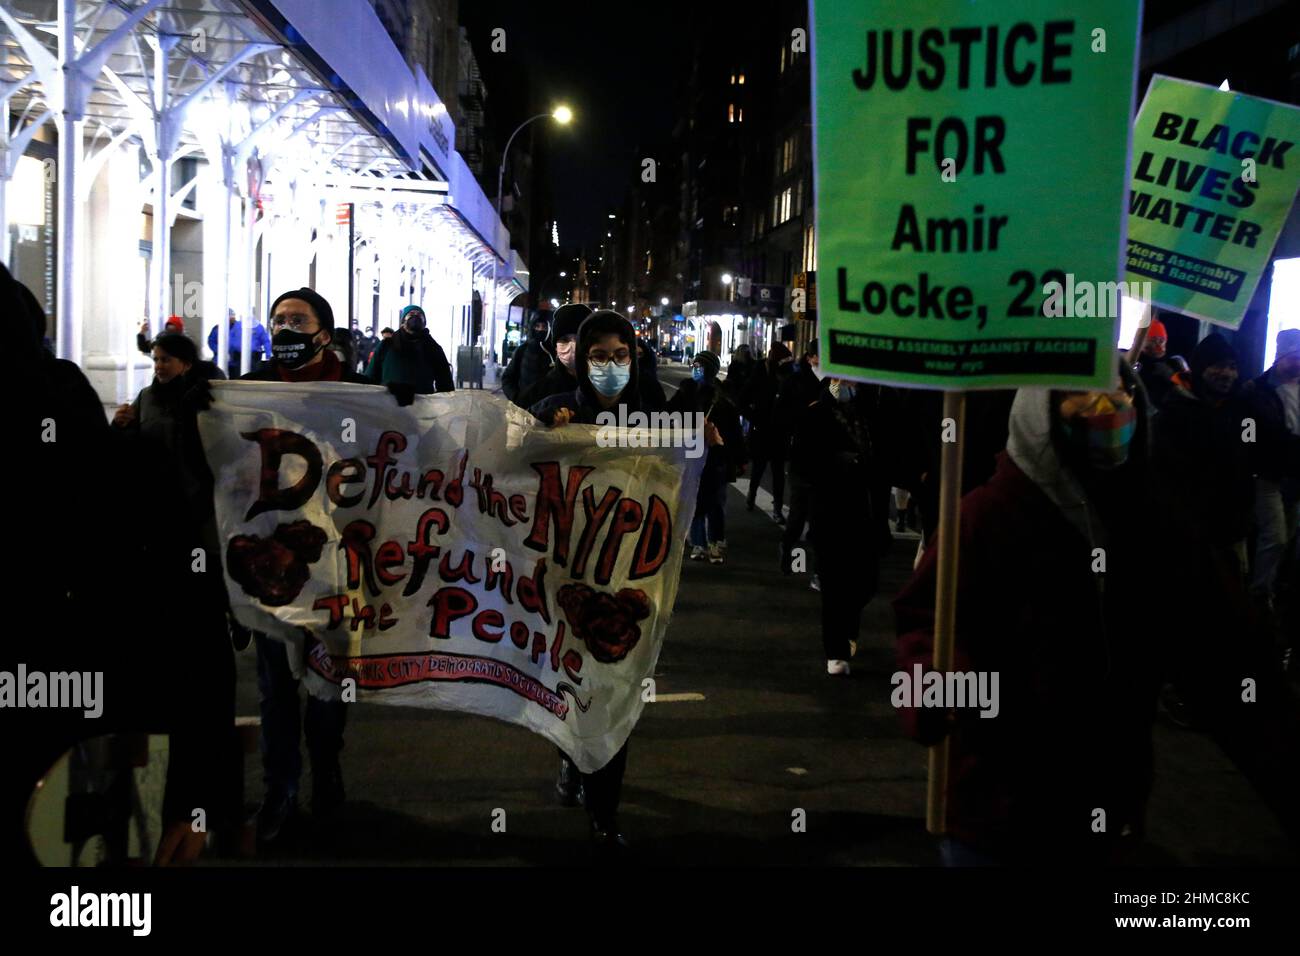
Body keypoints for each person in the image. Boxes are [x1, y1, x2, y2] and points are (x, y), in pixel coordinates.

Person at [3, 264, 234, 866]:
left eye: (165, 357)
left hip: (69, 791)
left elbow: (192, 636)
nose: (158, 365)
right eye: (153, 357)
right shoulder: (113, 430)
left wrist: (193, 798)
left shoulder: (109, 461)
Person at [894, 359, 1162, 864]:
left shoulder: (1140, 516)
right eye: (1083, 391)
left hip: (1104, 797)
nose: (1107, 404)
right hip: (997, 804)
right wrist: (933, 690)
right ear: (1041, 409)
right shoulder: (986, 514)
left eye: (1121, 388)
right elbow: (923, 621)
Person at [193, 288, 378, 846]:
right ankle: (281, 790)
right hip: (269, 569)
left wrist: (407, 405)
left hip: (340, 569)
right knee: (275, 687)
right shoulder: (247, 394)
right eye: (277, 320)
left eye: (297, 319)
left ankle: (326, 771)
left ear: (324, 331)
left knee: (328, 683)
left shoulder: (358, 396)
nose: (285, 329)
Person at [529, 309, 658, 857]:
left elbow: (702, 469)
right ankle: (568, 758)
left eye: (622, 355)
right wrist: (542, 434)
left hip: (629, 579)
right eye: (600, 356)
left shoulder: (655, 415)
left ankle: (604, 814)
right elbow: (506, 458)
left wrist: (711, 440)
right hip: (566, 576)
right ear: (582, 361)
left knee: (612, 693)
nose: (611, 365)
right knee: (573, 686)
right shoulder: (551, 410)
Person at [793, 376, 885, 675]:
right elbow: (801, 465)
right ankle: (836, 651)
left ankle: (848, 629)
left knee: (865, 582)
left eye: (854, 382)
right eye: (844, 380)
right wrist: (837, 462)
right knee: (833, 583)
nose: (849, 387)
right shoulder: (815, 413)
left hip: (863, 511)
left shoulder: (866, 414)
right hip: (829, 511)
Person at [1239, 328, 1300, 613]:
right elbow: (1249, 435)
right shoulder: (1257, 391)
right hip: (1268, 474)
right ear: (1280, 357)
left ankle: (1273, 586)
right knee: (1276, 536)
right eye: (1293, 356)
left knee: (1287, 536)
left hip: (1293, 476)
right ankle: (1259, 593)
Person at [666, 350, 746, 564]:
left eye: (699, 366)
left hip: (715, 457)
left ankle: (715, 542)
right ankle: (699, 543)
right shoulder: (685, 392)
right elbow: (666, 416)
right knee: (695, 499)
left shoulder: (721, 397)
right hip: (691, 454)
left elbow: (733, 432)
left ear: (709, 370)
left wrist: (739, 458)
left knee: (715, 501)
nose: (695, 369)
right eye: (694, 365)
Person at [741, 342, 793, 522]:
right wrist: (755, 418)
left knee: (778, 473)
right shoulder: (759, 373)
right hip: (762, 430)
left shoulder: (788, 375)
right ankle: (752, 494)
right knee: (758, 468)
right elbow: (743, 400)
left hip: (780, 432)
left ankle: (777, 508)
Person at [517, 303, 593, 409]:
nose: (573, 346)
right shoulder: (538, 392)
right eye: (564, 340)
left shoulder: (606, 391)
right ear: (556, 347)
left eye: (580, 338)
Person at [367, 304, 454, 394]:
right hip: (389, 403)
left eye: (419, 315)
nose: (416, 317)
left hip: (421, 404)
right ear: (402, 322)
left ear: (424, 323)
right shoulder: (387, 344)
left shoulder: (433, 347)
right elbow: (371, 376)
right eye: (411, 314)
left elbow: (445, 382)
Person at [501, 311, 554, 405]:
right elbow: (508, 378)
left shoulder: (555, 353)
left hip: (548, 410)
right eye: (537, 326)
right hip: (525, 409)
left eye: (544, 327)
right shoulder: (522, 350)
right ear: (532, 327)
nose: (540, 330)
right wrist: (516, 398)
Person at [208, 309, 271, 377]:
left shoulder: (258, 327)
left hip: (253, 357)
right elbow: (229, 341)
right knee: (238, 377)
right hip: (237, 357)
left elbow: (266, 341)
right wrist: (223, 352)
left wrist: (268, 355)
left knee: (251, 377)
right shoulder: (234, 326)